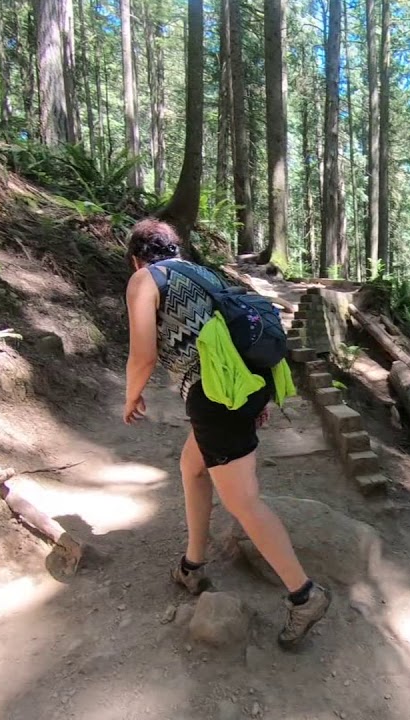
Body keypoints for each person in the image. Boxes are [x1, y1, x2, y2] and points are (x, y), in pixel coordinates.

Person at [120, 218, 330, 649]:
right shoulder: (202, 273)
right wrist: (255, 401)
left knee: (243, 501)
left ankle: (304, 595)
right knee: (192, 468)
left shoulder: (145, 279)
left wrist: (130, 398)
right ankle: (192, 566)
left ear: (137, 256)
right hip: (243, 386)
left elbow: (142, 355)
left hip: (215, 397)